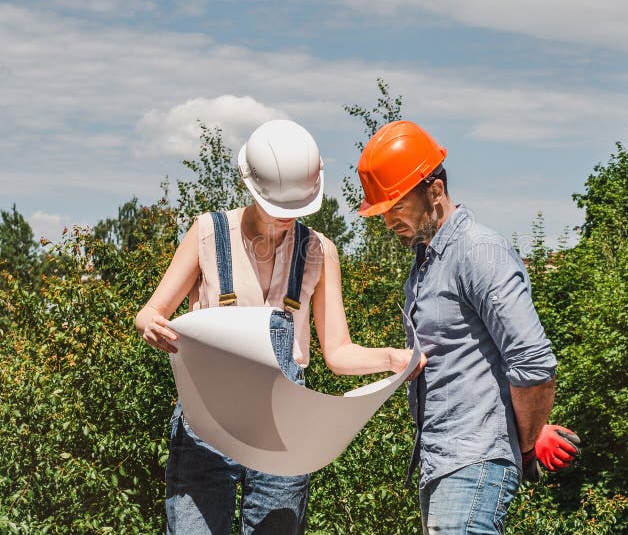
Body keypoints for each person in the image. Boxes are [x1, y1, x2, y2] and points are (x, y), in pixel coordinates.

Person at [136, 119, 424, 535]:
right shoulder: (207, 233)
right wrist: (152, 327)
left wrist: (391, 358)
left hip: (283, 426)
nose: (288, 219)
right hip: (206, 424)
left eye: (298, 210)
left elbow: (338, 352)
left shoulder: (320, 252)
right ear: (250, 187)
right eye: (278, 208)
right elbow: (150, 312)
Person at [356, 120, 580, 534]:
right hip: (443, 462)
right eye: (383, 213)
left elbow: (533, 363)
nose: (389, 223)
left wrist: (526, 444)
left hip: (471, 462)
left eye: (396, 208)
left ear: (435, 190)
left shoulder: (478, 251)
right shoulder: (427, 262)